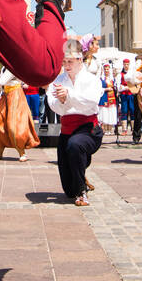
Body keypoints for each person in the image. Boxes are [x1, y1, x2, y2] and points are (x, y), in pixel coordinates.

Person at [47, 39, 102, 206]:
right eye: (64, 62)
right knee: (68, 190)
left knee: (75, 145)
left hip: (88, 129)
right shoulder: (59, 80)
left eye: (70, 61)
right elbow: (53, 105)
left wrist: (69, 95)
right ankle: (79, 175)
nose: (66, 65)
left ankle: (82, 191)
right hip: (67, 130)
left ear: (80, 60)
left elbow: (91, 102)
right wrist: (63, 101)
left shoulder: (91, 80)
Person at [0, 67, 39, 161]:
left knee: (14, 124)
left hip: (15, 95)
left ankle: (22, 153)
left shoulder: (12, 67)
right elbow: (1, 83)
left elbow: (2, 81)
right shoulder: (3, 67)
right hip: (5, 94)